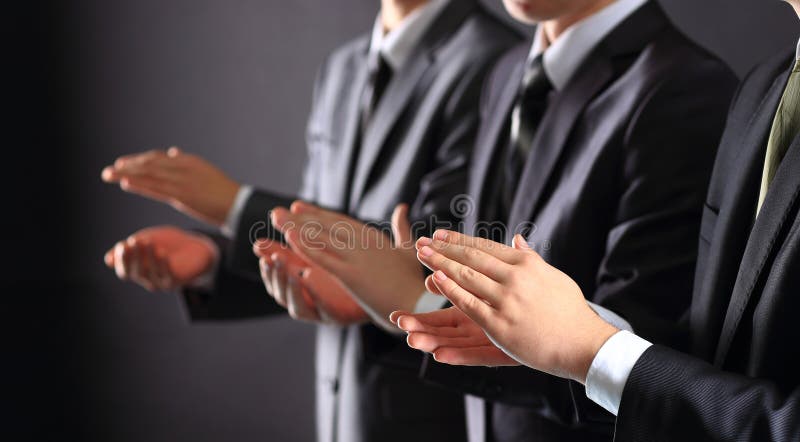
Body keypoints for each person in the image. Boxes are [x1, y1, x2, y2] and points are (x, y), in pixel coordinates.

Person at [269, 0, 738, 440]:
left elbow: (643, 365)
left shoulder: (686, 87)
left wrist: (418, 304)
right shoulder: (507, 72)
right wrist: (415, 304)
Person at [101, 1, 521, 441]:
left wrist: (236, 205)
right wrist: (212, 259)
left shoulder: (495, 61)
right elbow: (325, 261)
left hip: (436, 418)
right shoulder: (342, 68)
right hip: (343, 418)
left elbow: (429, 257)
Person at [394, 1, 800, 440]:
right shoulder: (763, 89)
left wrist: (592, 347)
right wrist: (543, 328)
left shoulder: (689, 85)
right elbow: (702, 353)